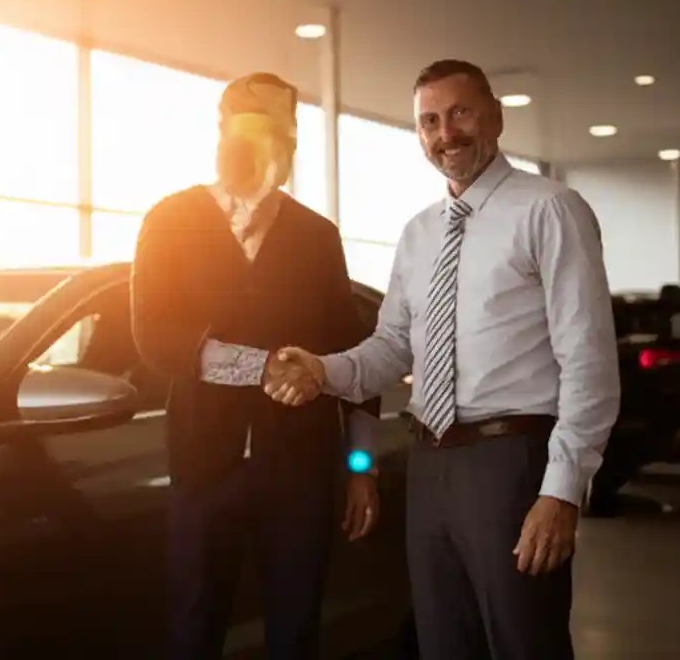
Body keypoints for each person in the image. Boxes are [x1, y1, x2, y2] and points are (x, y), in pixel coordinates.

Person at [265, 59, 621, 659]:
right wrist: (322, 369)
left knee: (523, 643)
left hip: (512, 463)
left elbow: (588, 360)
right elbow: (392, 348)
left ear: (496, 117)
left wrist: (561, 490)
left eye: (459, 113)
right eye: (429, 121)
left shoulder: (550, 210)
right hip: (430, 466)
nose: (445, 133)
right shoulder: (419, 233)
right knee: (442, 645)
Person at [130, 71, 383, 660]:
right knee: (194, 628)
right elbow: (154, 335)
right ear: (223, 135)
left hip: (300, 473)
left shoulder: (317, 237)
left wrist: (361, 465)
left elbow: (352, 357)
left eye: (280, 134)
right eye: (248, 130)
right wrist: (260, 367)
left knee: (296, 633)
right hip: (202, 469)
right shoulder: (170, 221)